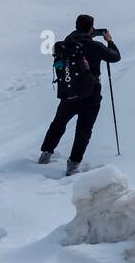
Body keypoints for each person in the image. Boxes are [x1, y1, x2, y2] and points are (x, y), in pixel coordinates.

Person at [40, 15, 121, 176]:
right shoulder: (94, 45)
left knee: (58, 124)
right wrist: (109, 41)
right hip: (90, 95)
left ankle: (45, 155)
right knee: (83, 129)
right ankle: (73, 165)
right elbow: (115, 57)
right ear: (91, 28)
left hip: (68, 93)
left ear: (76, 26)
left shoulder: (66, 44)